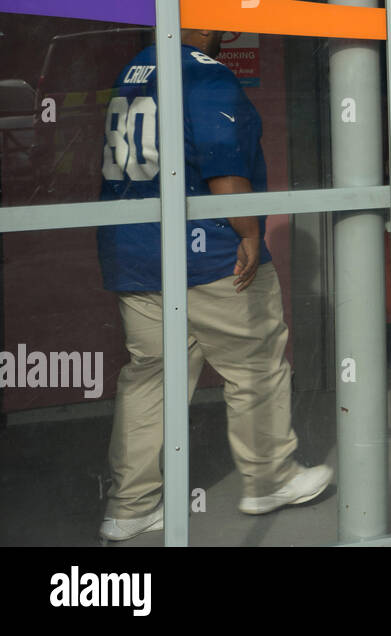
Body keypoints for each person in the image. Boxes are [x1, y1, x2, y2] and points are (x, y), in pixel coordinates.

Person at [96, 28, 332, 542]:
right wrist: (249, 232)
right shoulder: (205, 73)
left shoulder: (136, 69)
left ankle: (130, 507)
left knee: (151, 381)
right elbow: (225, 168)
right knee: (255, 366)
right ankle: (270, 478)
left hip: (137, 255)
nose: (234, 28)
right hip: (208, 255)